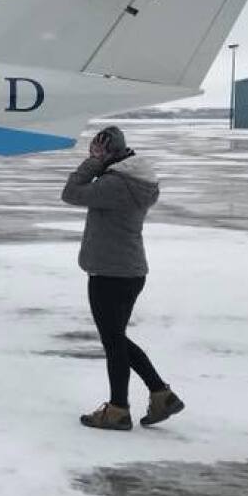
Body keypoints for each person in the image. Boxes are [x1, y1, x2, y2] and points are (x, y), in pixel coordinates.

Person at [61, 125, 184, 431]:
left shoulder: (115, 184)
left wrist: (92, 164)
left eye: (97, 150)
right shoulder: (137, 181)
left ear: (109, 152)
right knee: (116, 339)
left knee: (114, 342)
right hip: (129, 271)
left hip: (110, 273)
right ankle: (160, 394)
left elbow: (71, 193)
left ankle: (119, 409)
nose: (94, 156)